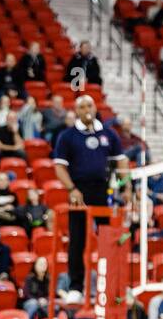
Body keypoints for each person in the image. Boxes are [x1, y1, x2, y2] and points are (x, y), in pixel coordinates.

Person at [53, 95, 130, 294]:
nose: (86, 109)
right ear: (76, 111)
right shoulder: (68, 136)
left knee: (109, 238)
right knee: (77, 239)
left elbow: (121, 162)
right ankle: (76, 287)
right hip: (78, 191)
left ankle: (112, 282)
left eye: (89, 105)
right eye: (82, 106)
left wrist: (125, 187)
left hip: (103, 190)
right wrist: (72, 189)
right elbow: (60, 167)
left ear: (95, 108)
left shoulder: (109, 134)